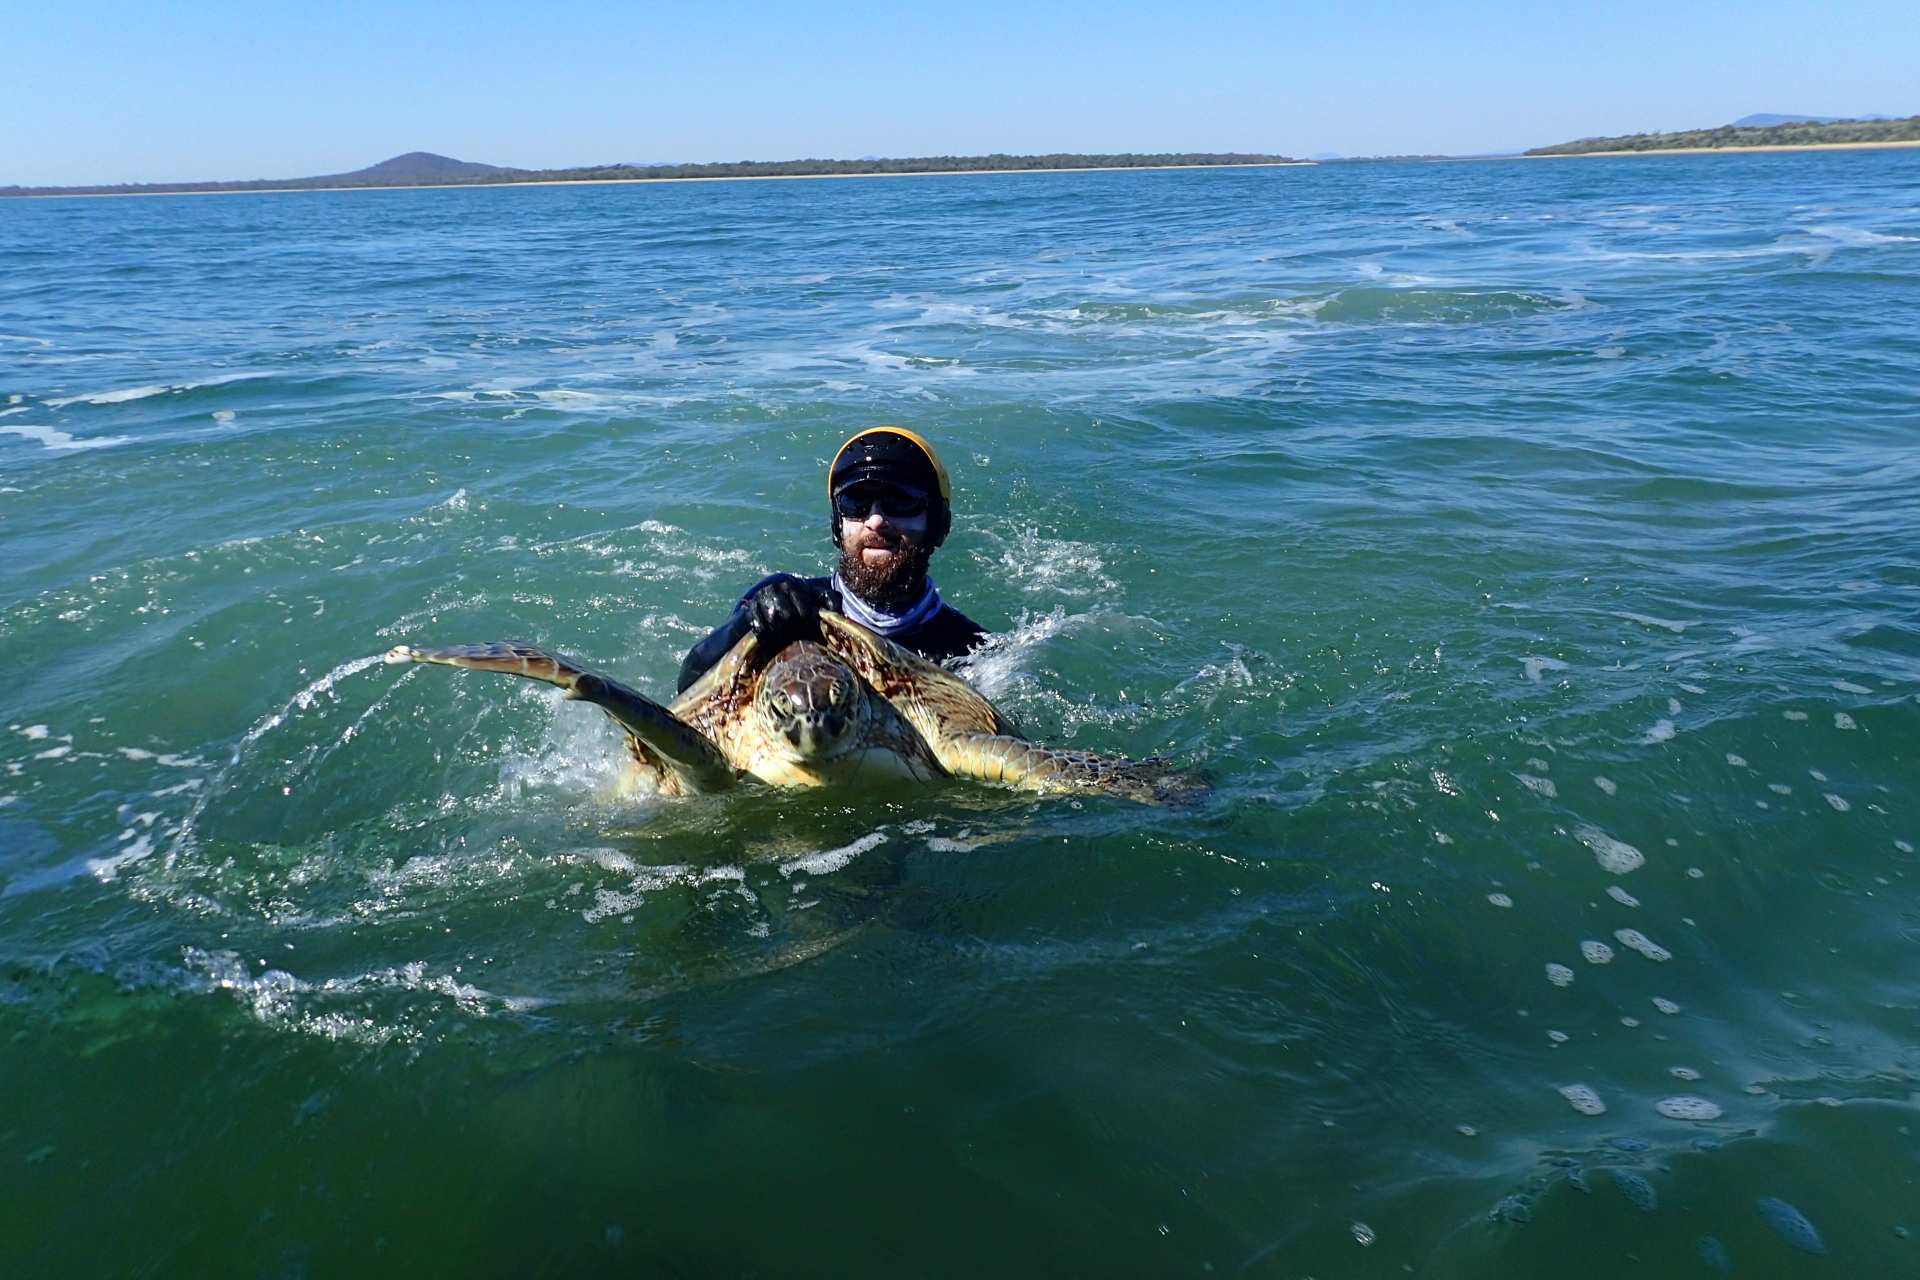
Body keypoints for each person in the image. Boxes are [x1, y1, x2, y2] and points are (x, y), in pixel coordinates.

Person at [676, 426, 989, 692]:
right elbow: (689, 687)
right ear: (837, 526)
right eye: (857, 503)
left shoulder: (970, 648)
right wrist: (748, 625)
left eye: (900, 501)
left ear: (937, 524)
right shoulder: (787, 604)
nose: (876, 520)